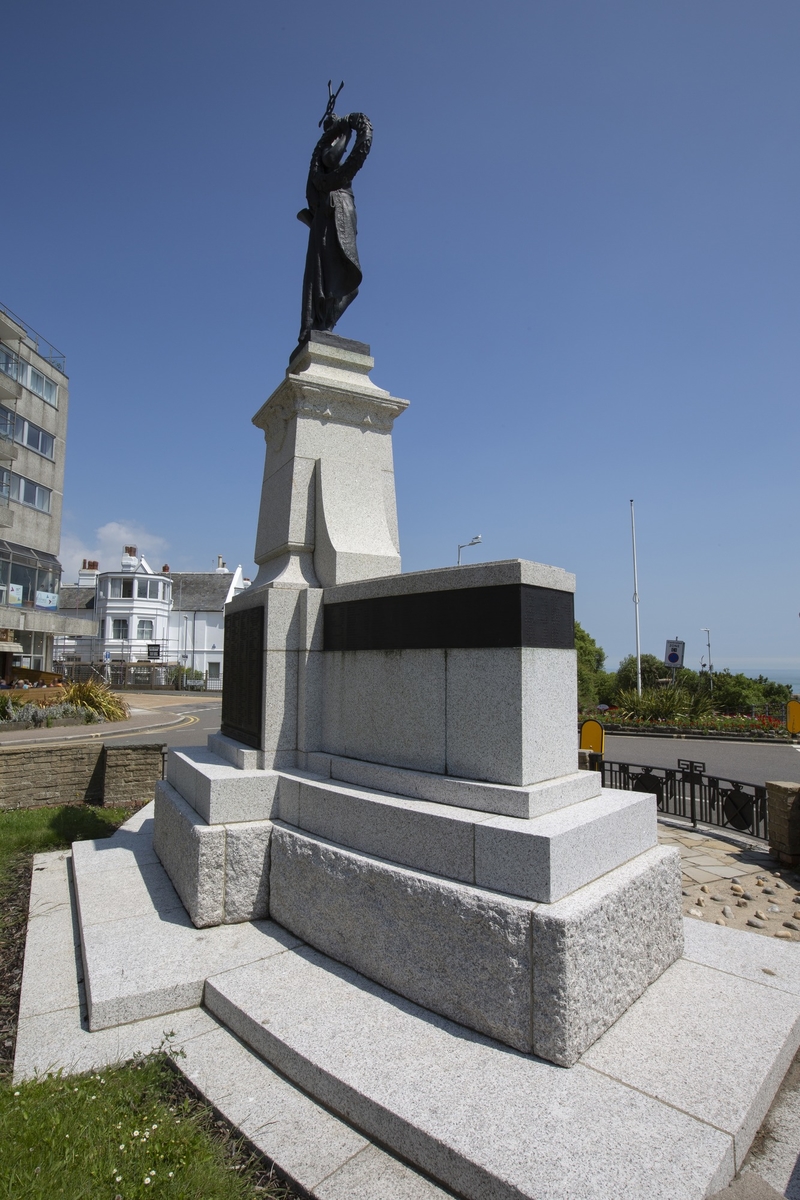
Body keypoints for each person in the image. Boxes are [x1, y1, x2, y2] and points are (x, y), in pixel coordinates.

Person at [297, 83, 373, 342]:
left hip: (338, 213)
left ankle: (324, 324)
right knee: (344, 282)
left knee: (336, 280)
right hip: (334, 214)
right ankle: (323, 325)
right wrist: (344, 131)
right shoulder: (327, 157)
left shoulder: (321, 164)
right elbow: (331, 159)